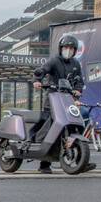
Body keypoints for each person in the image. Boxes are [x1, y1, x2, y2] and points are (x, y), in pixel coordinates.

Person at [33, 34, 93, 173]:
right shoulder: (54, 61)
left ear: (75, 50)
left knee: (77, 123)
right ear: (61, 48)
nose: (68, 50)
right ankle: (44, 164)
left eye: (71, 48)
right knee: (52, 127)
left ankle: (80, 160)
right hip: (53, 99)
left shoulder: (75, 64)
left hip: (67, 100)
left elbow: (79, 81)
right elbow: (42, 70)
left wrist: (78, 90)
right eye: (66, 47)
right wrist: (37, 80)